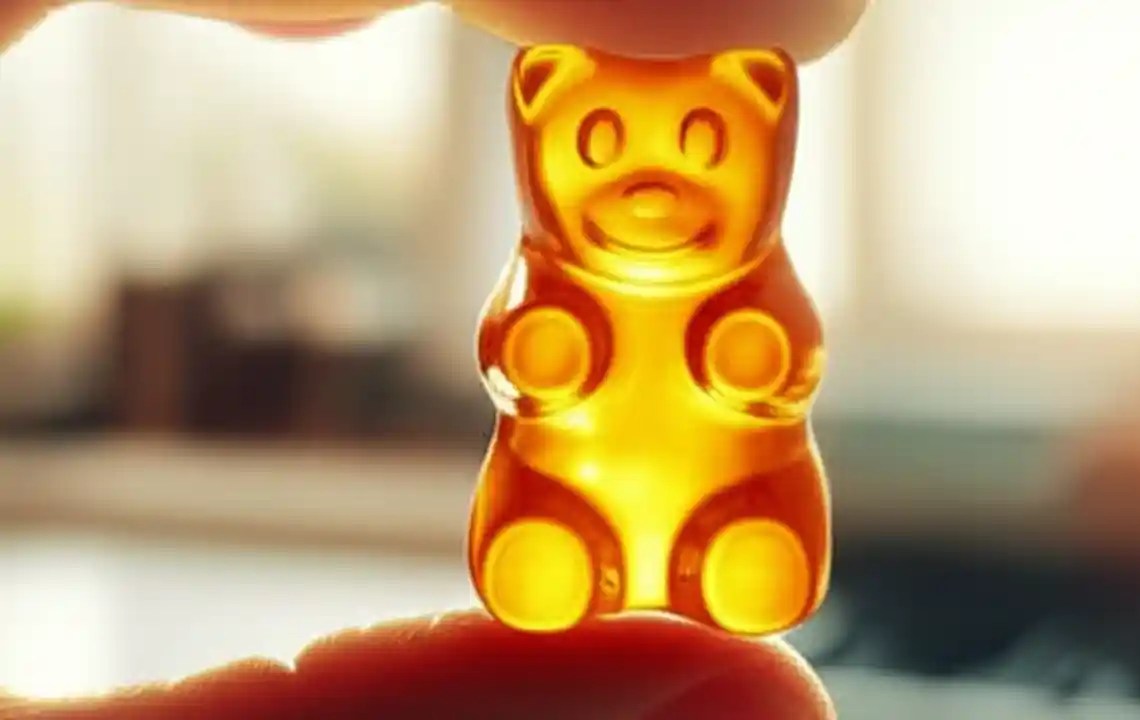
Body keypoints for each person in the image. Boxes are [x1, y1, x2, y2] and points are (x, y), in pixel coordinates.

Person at [0, 2, 866, 717]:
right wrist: (547, 354)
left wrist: (751, 360)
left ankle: (735, 542)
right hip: (567, 481)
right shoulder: (546, 279)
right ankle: (560, 542)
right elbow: (517, 354)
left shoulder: (758, 285)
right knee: (548, 502)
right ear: (539, 109)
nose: (647, 183)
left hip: (730, 481)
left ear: (767, 109)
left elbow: (783, 365)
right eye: (600, 144)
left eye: (703, 146)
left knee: (756, 497)